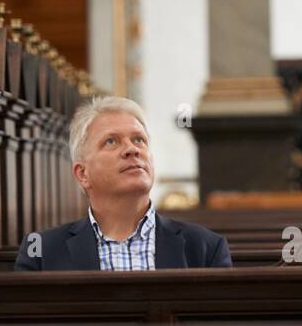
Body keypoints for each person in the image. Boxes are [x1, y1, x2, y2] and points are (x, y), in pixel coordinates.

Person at [14, 96, 231, 270]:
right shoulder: (41, 253)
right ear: (83, 174)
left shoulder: (206, 248)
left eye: (139, 139)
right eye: (111, 141)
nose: (132, 149)